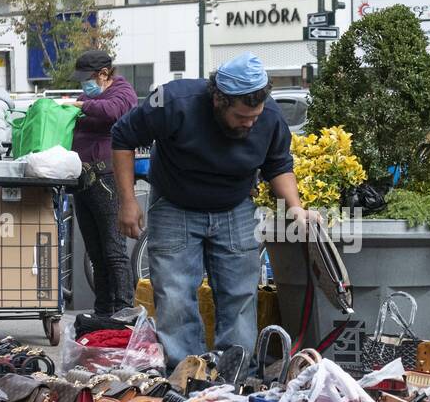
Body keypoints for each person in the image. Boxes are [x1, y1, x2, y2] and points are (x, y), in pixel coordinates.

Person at [110, 52, 306, 369]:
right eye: (242, 117)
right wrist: (128, 201)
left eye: (254, 116)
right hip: (176, 205)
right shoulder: (174, 101)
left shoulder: (268, 116)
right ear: (218, 100)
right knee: (175, 297)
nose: (250, 123)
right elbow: (122, 136)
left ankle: (236, 371)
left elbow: (279, 165)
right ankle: (187, 371)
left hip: (236, 207)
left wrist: (295, 208)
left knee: (240, 296)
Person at [70, 48, 138, 315]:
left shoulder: (123, 91)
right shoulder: (87, 95)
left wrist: (80, 106)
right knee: (96, 253)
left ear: (104, 74)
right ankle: (103, 310)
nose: (83, 85)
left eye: (87, 78)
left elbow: (113, 111)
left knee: (113, 251)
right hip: (83, 178)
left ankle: (122, 310)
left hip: (107, 177)